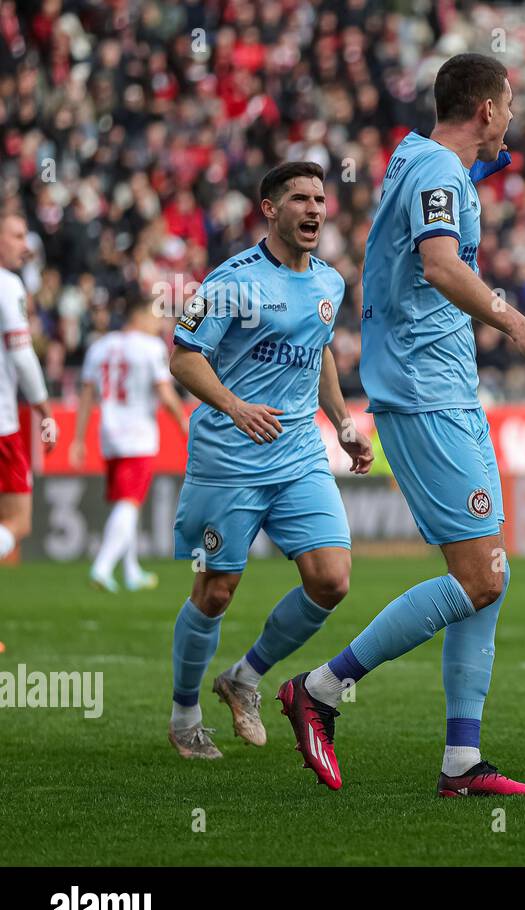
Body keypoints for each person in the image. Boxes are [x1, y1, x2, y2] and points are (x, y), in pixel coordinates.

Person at [279, 53, 525, 797]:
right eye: (506, 105)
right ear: (483, 110)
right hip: (424, 392)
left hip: (446, 389)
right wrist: (521, 328)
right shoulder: (437, 172)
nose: (511, 117)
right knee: (480, 577)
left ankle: (462, 763)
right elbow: (441, 265)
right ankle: (319, 688)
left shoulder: (424, 163)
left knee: (490, 579)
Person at [166, 161, 372, 760]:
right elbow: (182, 357)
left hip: (299, 456)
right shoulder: (231, 281)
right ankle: (184, 714)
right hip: (227, 460)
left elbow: (320, 350)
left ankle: (245, 678)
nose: (314, 210)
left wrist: (342, 422)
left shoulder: (330, 282)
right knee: (216, 592)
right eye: (300, 199)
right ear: (270, 209)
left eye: (319, 199)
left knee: (331, 579)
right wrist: (234, 406)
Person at [70, 299, 189, 592]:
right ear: (140, 317)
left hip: (108, 434)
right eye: (155, 318)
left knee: (127, 502)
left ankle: (132, 571)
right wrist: (185, 424)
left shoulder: (100, 346)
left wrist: (78, 437)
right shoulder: (150, 348)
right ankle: (102, 566)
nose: (159, 325)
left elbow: (86, 394)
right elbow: (165, 392)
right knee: (129, 503)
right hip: (138, 435)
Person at [0, 213, 56, 563]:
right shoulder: (7, 284)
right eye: (18, 236)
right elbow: (22, 355)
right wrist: (46, 411)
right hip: (2, 425)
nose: (26, 246)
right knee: (19, 522)